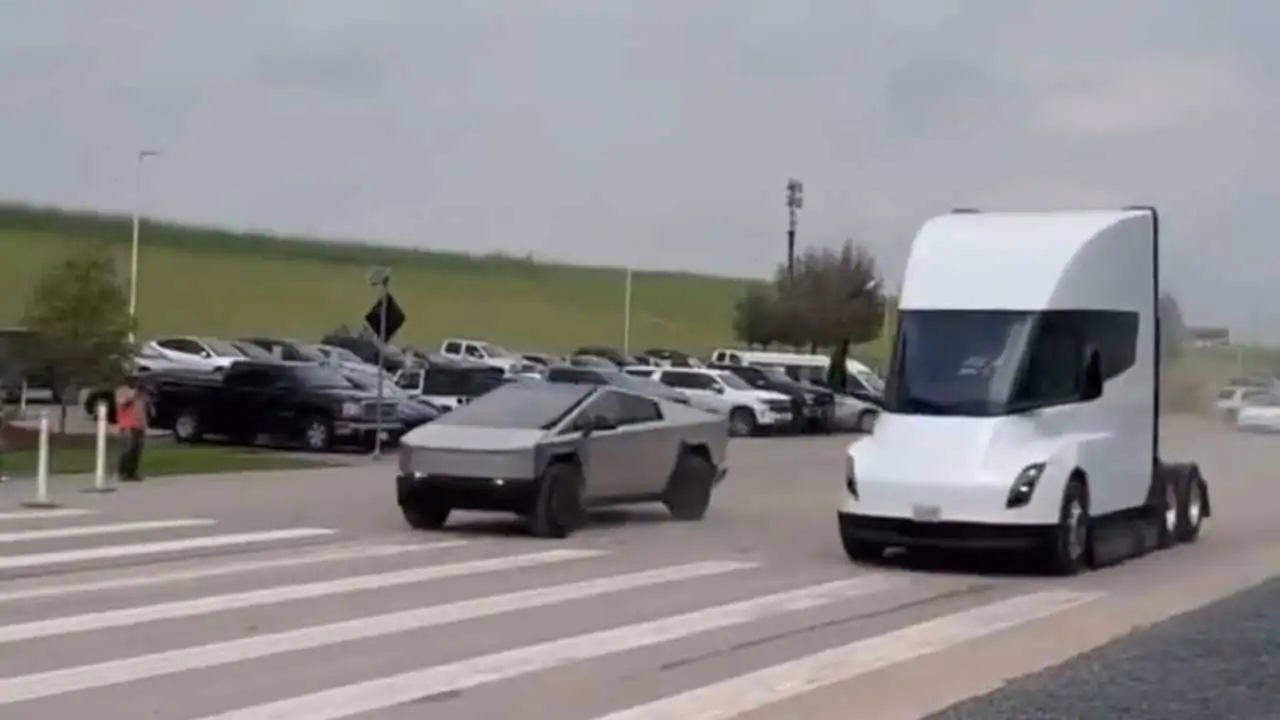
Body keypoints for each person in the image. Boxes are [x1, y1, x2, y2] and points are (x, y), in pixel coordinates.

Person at [115, 374, 149, 481]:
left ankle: (133, 472)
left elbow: (145, 408)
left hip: (140, 424)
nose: (136, 383)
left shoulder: (141, 394)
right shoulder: (122, 391)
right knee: (127, 449)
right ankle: (123, 472)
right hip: (127, 424)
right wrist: (134, 395)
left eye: (137, 380)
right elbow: (123, 404)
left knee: (137, 450)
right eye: (133, 380)